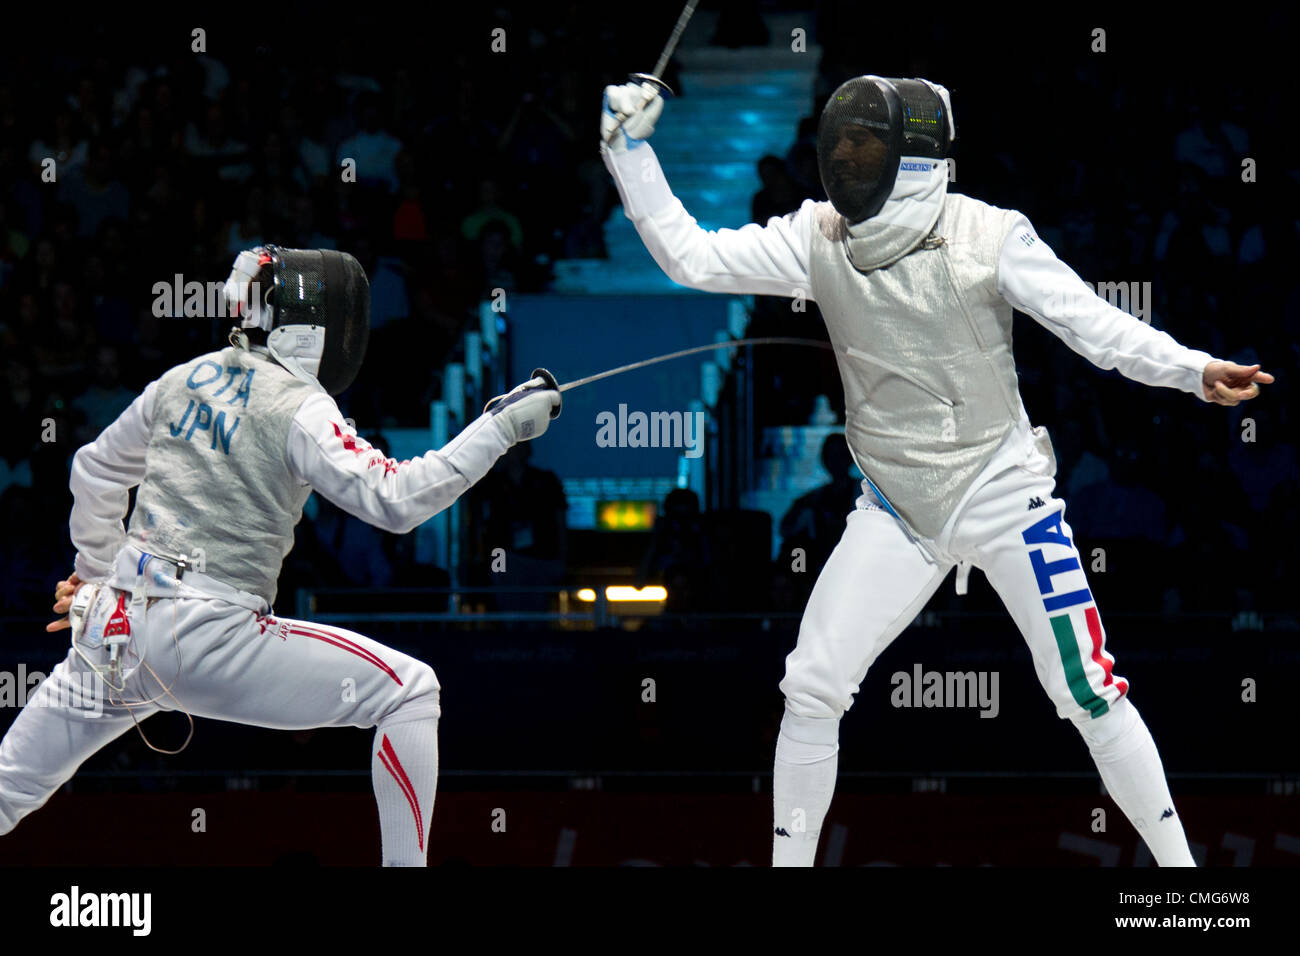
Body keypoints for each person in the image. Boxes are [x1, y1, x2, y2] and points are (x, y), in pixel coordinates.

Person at [599, 76, 1273, 867]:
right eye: (841, 141)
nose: (845, 157)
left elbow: (1091, 324)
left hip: (1004, 494)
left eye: (864, 143)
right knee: (812, 687)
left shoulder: (989, 235)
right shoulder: (818, 236)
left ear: (911, 154)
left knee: (1088, 688)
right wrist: (629, 150)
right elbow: (692, 257)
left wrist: (1192, 370)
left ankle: (1181, 881)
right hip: (895, 508)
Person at [0, 245, 561, 866]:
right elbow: (397, 500)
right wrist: (499, 428)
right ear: (314, 329)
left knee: (7, 789)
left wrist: (94, 577)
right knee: (410, 691)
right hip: (210, 637)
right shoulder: (300, 406)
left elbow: (94, 469)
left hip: (113, 634)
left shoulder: (181, 379)